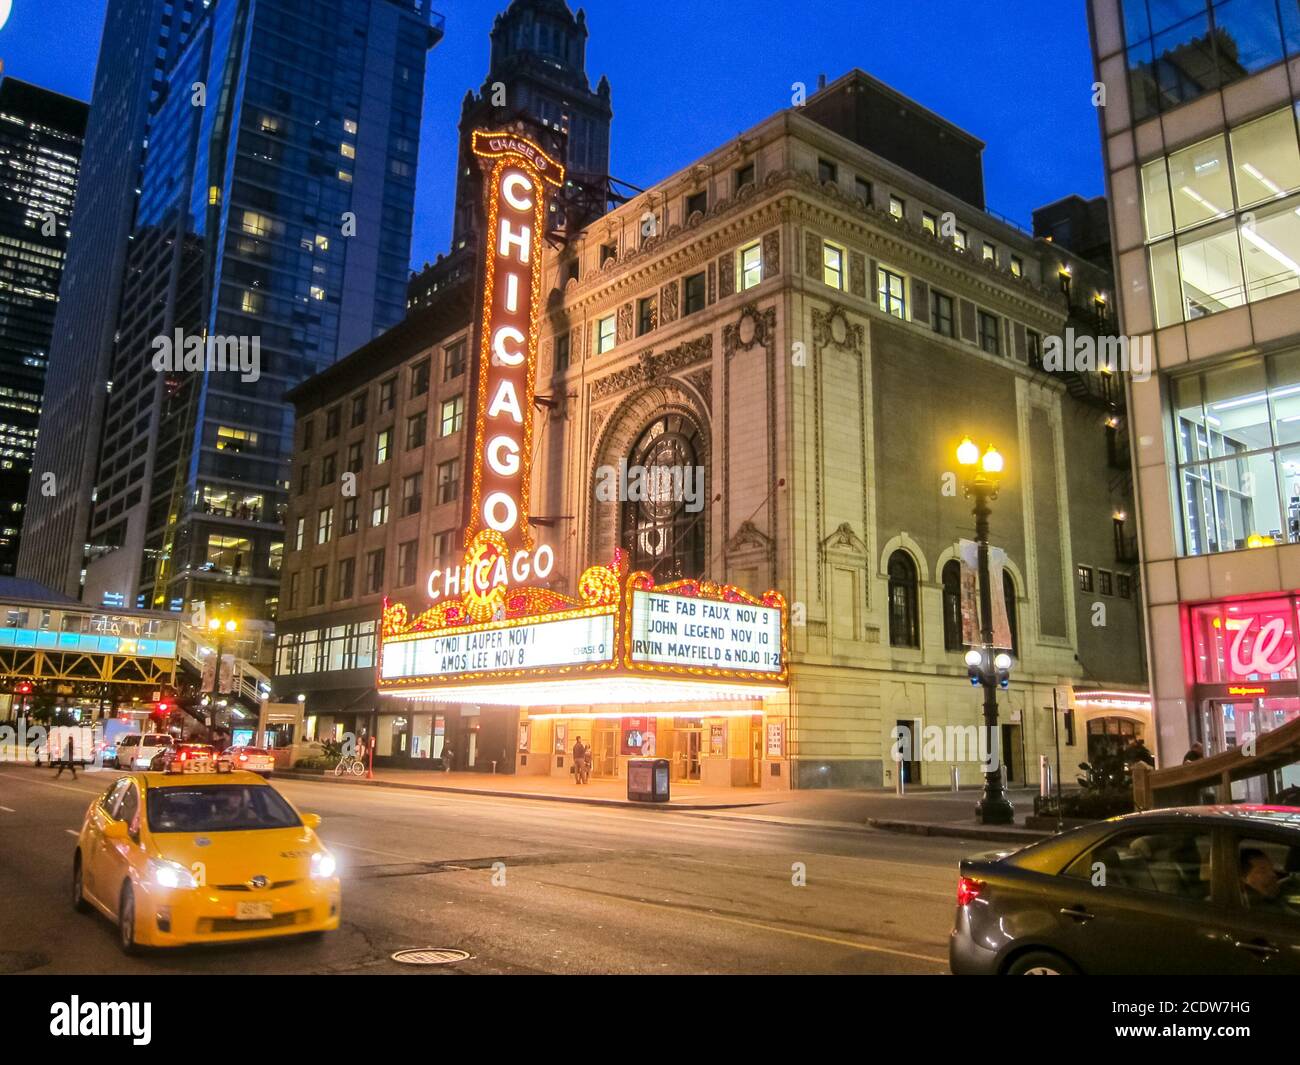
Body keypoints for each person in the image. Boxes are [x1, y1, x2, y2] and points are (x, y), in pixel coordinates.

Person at [1240, 848, 1294, 914]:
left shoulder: (1274, 899)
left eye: (1272, 869)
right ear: (1244, 879)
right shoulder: (1254, 908)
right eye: (1263, 871)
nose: (1273, 875)